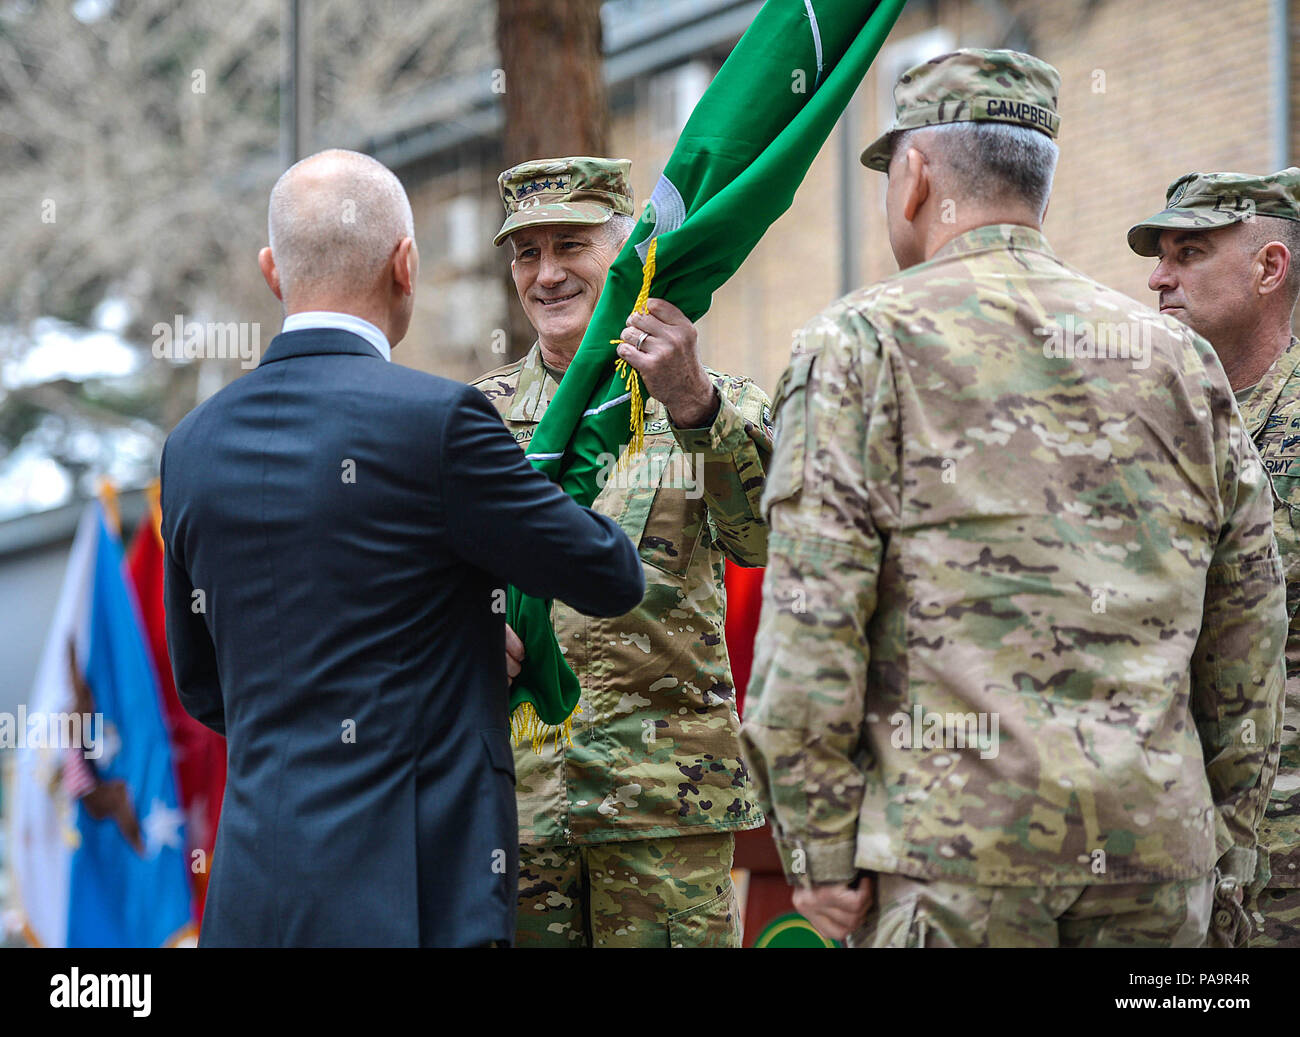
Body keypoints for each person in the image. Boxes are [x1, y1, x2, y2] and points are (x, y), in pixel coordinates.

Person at [740, 49, 1287, 948]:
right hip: (1155, 864)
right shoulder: (1178, 360)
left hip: (953, 869)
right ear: (1039, 185)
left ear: (913, 179)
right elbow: (1247, 630)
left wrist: (821, 852)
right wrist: (1223, 847)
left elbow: (810, 626)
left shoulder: (859, 343)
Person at [160, 148, 644, 947]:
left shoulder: (191, 446)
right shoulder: (440, 421)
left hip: (253, 897)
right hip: (416, 896)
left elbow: (204, 686)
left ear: (273, 272)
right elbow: (610, 572)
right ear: (406, 264)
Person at [471, 156, 771, 947]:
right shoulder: (473, 416)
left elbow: (762, 538)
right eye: (527, 253)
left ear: (625, 255)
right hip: (520, 801)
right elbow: (426, 577)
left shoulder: (713, 397)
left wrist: (693, 403)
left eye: (571, 244)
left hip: (664, 801)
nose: (547, 274)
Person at [1129, 168, 1300, 946]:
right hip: (1171, 846)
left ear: (1269, 268)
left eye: (1189, 253)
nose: (1159, 277)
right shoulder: (1144, 424)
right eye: (1160, 254)